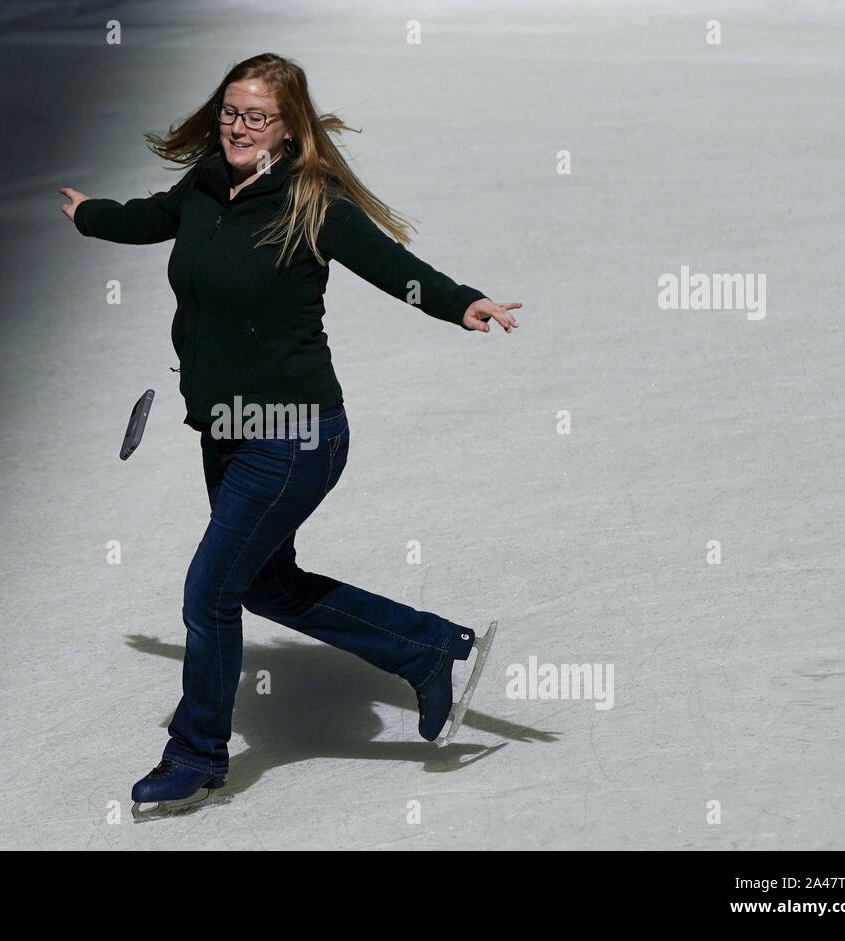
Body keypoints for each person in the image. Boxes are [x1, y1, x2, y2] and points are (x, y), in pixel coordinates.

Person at [61, 53, 521, 814]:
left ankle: (198, 755)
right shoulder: (205, 185)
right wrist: (90, 216)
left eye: (257, 116)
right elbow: (148, 217)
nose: (239, 128)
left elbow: (394, 268)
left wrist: (462, 303)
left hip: (296, 433)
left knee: (210, 590)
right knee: (265, 584)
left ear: (289, 125)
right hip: (225, 430)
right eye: (231, 112)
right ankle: (429, 647)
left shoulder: (312, 203)